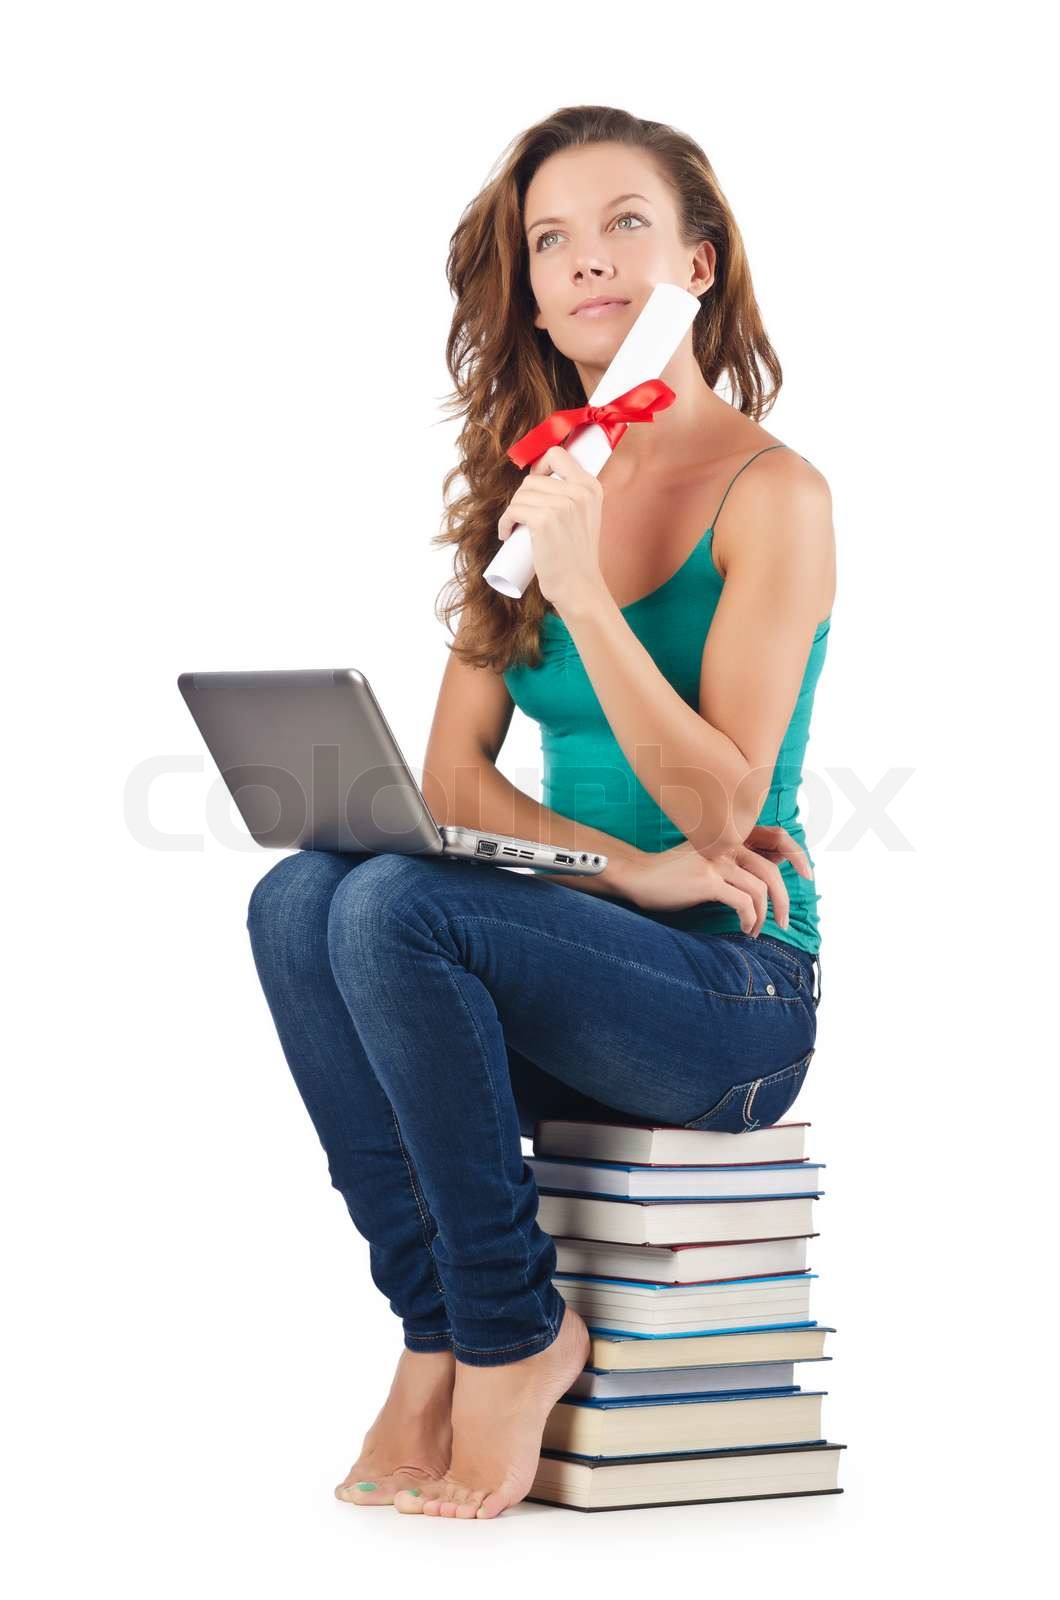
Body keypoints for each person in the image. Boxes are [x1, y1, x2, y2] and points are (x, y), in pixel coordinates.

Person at [246, 104, 836, 1522]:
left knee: (394, 904)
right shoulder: (539, 481)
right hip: (590, 950)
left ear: (698, 260)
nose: (586, 262)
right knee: (303, 893)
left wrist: (584, 593)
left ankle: (518, 1336)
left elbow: (725, 801)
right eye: (551, 239)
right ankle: (440, 1323)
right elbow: (456, 781)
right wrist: (624, 872)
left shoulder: (775, 492)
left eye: (626, 223)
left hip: (735, 996)